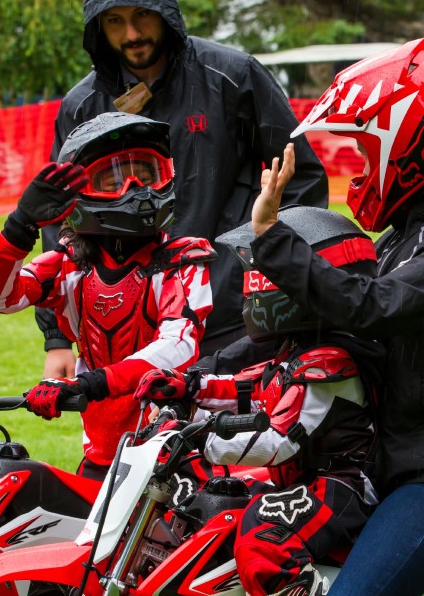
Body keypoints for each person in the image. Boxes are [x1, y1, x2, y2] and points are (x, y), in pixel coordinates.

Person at [245, 38, 424, 595]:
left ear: (409, 146)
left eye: (367, 153)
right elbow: (323, 324)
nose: (360, 170)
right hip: (374, 469)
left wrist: (273, 241)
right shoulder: (399, 240)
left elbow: (369, 307)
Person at [38, 0, 329, 380]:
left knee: (225, 435)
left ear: (164, 14)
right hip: (124, 330)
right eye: (115, 21)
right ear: (98, 28)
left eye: (142, 15)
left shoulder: (233, 77)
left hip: (231, 320)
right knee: (129, 440)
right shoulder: (83, 106)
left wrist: (266, 272)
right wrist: (58, 336)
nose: (132, 33)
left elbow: (300, 177)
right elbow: (60, 216)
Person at [134, 206, 385, 596]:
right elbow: (246, 387)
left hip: (343, 488)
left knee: (262, 535)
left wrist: (199, 439)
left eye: (271, 275)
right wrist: (187, 388)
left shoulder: (331, 362)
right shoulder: (297, 350)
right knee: (211, 503)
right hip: (306, 480)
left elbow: (279, 440)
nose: (255, 285)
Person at [0, 112, 216, 480]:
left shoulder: (180, 260)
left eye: (148, 174)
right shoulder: (69, 264)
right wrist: (20, 225)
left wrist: (86, 384)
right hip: (100, 450)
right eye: (115, 178)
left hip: (171, 446)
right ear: (82, 193)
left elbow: (177, 346)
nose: (137, 189)